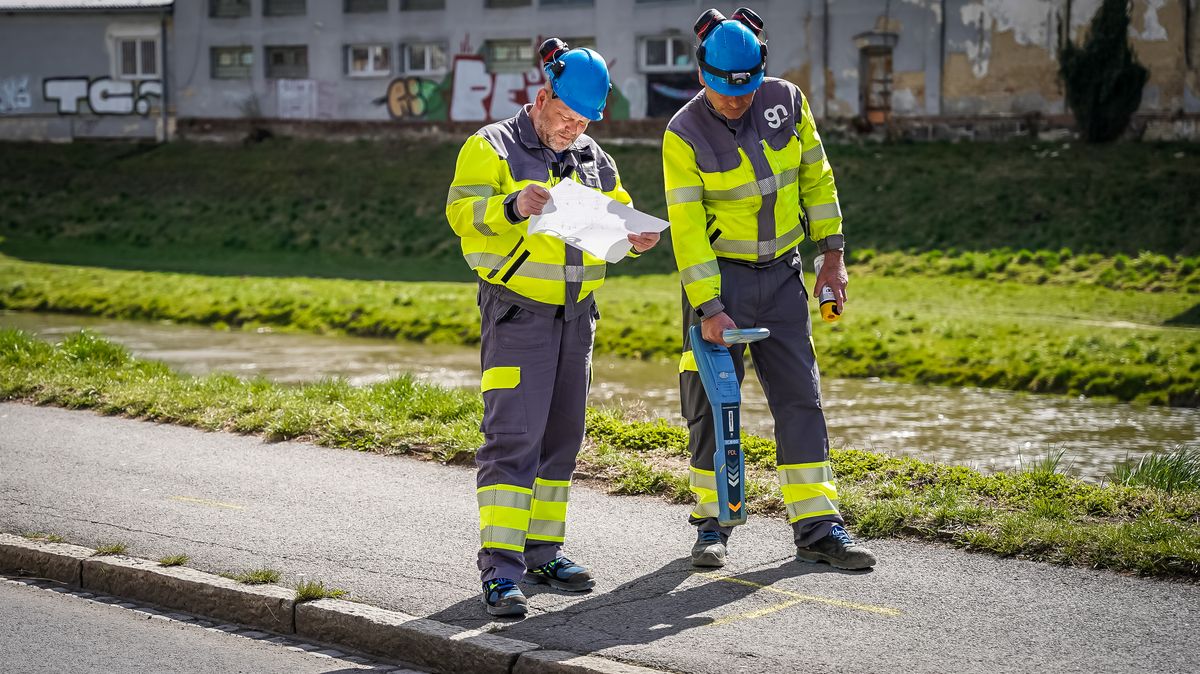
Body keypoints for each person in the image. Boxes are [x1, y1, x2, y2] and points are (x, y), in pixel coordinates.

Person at [446, 39, 660, 617]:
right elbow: (461, 215)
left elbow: (617, 215)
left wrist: (636, 239)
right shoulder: (489, 147)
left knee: (562, 439)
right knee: (513, 438)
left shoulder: (594, 157)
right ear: (541, 98)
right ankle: (500, 570)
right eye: (565, 117)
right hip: (517, 312)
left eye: (584, 120)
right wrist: (513, 206)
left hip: (577, 317)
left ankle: (543, 552)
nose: (574, 129)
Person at [662, 7, 877, 570]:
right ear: (702, 72)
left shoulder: (787, 101)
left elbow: (817, 177)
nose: (735, 101)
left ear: (761, 69)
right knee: (711, 406)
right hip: (720, 283)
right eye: (723, 91)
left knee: (800, 398)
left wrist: (832, 256)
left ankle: (819, 526)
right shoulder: (682, 134)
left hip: (783, 277)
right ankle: (713, 524)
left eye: (745, 89)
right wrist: (709, 306)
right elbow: (686, 229)